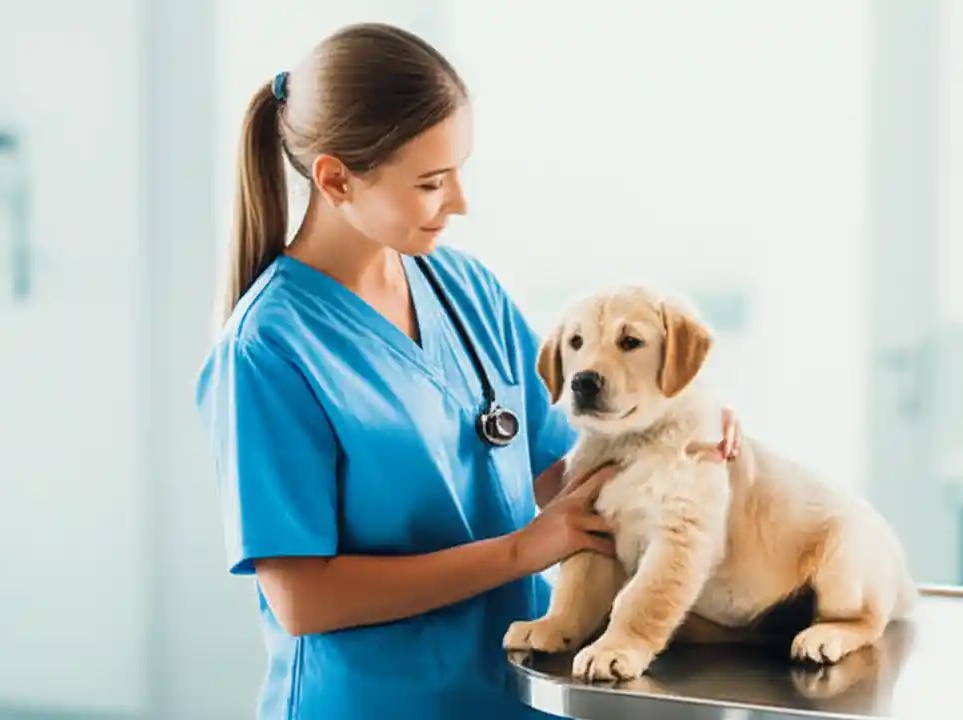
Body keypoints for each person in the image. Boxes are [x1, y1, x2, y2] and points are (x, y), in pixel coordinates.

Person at [195, 22, 743, 720]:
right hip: (376, 705)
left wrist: (675, 432)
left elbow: (566, 481)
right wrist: (518, 552)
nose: (458, 202)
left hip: (510, 693)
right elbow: (303, 600)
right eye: (430, 182)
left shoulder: (466, 290)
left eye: (458, 171)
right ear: (335, 179)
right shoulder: (268, 350)